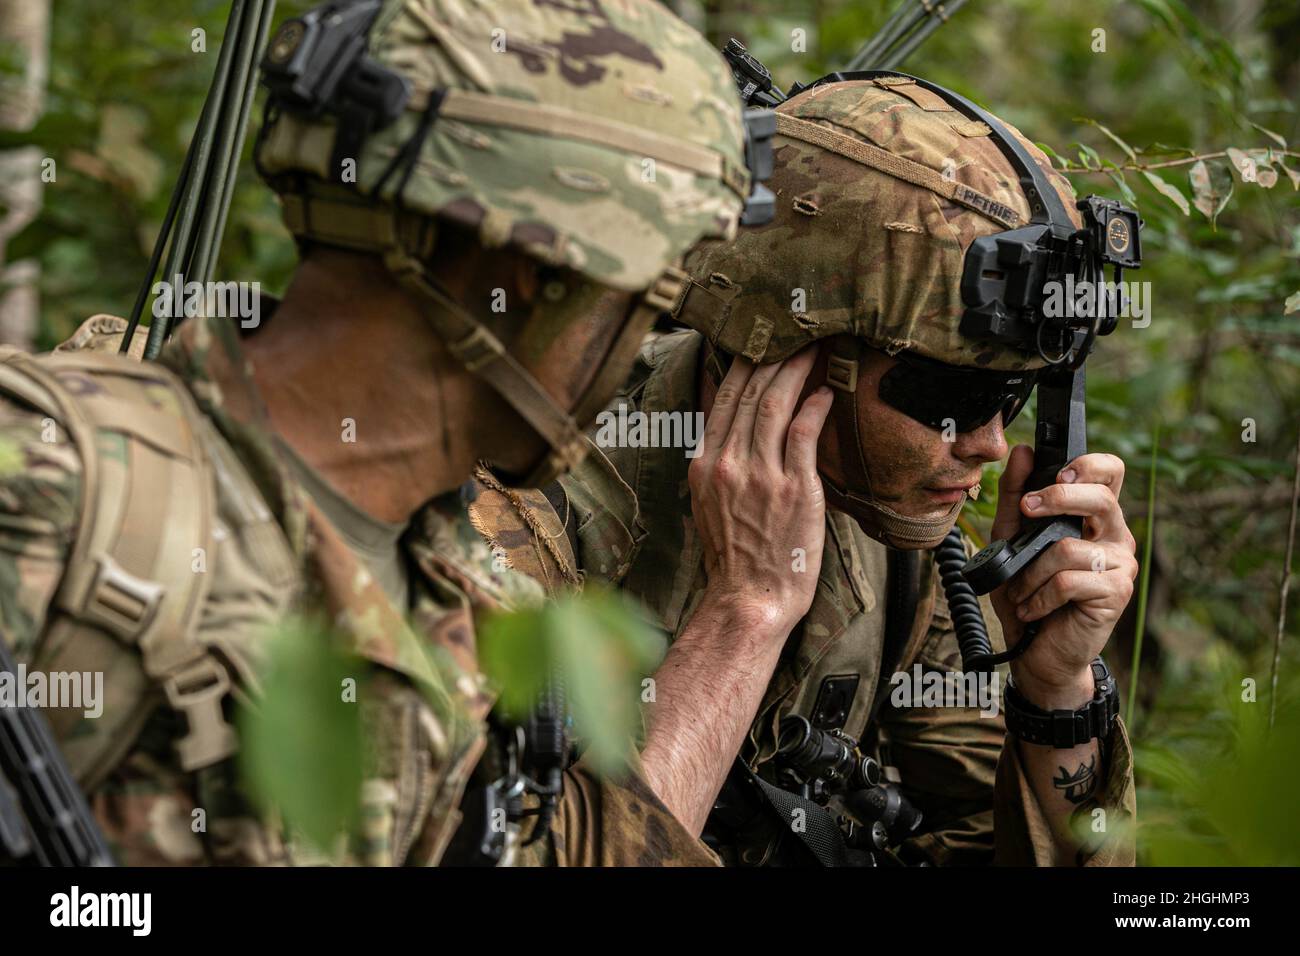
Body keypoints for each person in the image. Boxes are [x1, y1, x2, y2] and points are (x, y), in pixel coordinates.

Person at [0, 0, 749, 865]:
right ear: (528, 274)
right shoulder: (58, 484)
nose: (639, 353)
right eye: (642, 306)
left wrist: (752, 610)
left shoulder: (473, 602)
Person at [552, 76, 1139, 866]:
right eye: (951, 394)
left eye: (1015, 394)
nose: (992, 444)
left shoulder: (894, 538)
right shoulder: (530, 500)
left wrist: (1056, 692)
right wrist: (746, 612)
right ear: (787, 346)